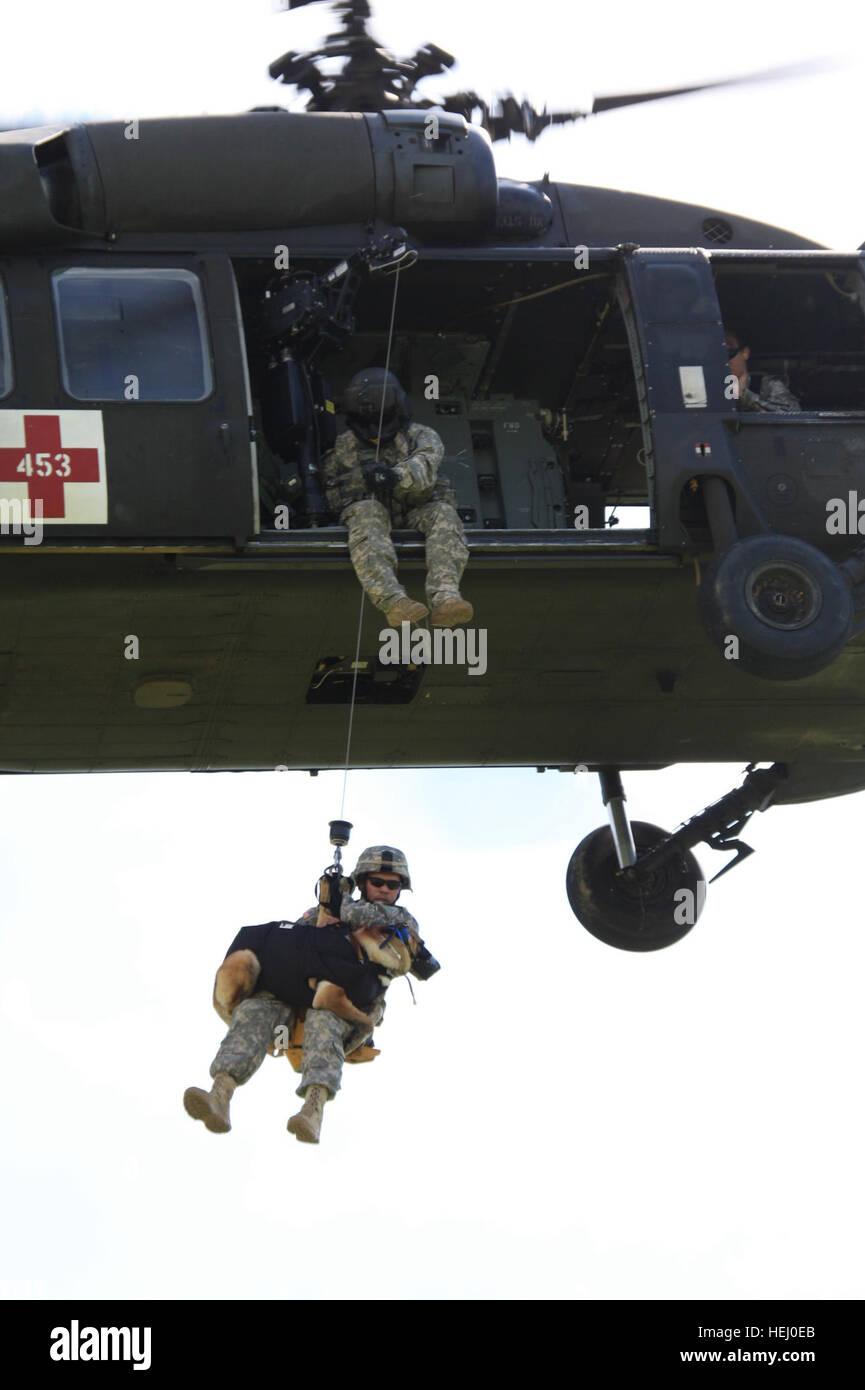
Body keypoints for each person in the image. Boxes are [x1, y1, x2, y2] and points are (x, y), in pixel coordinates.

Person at [183, 846, 435, 1145]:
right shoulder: (331, 910)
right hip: (299, 996)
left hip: (351, 1009)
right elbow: (299, 940)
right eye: (377, 882)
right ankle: (220, 1094)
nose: (383, 890)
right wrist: (325, 913)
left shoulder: (403, 922)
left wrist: (337, 902)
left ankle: (312, 1111)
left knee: (324, 1020)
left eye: (392, 884)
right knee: (256, 1009)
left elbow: (366, 917)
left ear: (400, 890)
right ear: (364, 881)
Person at [322, 368, 473, 627]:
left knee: (444, 514)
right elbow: (334, 493)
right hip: (375, 516)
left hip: (417, 508)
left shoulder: (422, 436)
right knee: (366, 512)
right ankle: (394, 602)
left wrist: (392, 476)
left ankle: (445, 597)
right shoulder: (343, 446)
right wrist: (360, 483)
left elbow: (424, 469)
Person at [726, 330, 801, 413]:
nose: (723, 360)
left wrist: (746, 397)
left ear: (745, 353)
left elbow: (793, 416)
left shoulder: (767, 385)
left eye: (728, 352)